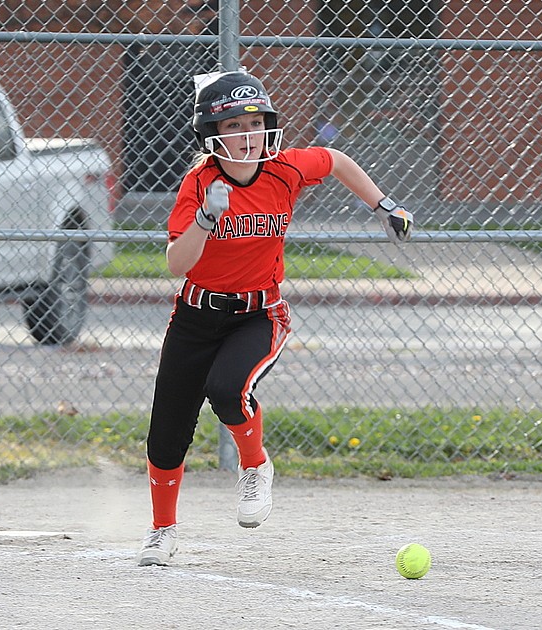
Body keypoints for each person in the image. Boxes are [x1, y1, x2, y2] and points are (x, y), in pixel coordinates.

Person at [135, 70, 413, 566]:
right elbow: (177, 264)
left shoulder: (284, 169)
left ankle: (255, 465)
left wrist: (383, 205)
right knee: (166, 431)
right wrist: (204, 219)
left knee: (226, 389)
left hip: (258, 313)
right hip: (196, 315)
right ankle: (162, 530)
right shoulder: (199, 184)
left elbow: (337, 161)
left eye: (257, 123)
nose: (249, 135)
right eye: (236, 127)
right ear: (211, 135)